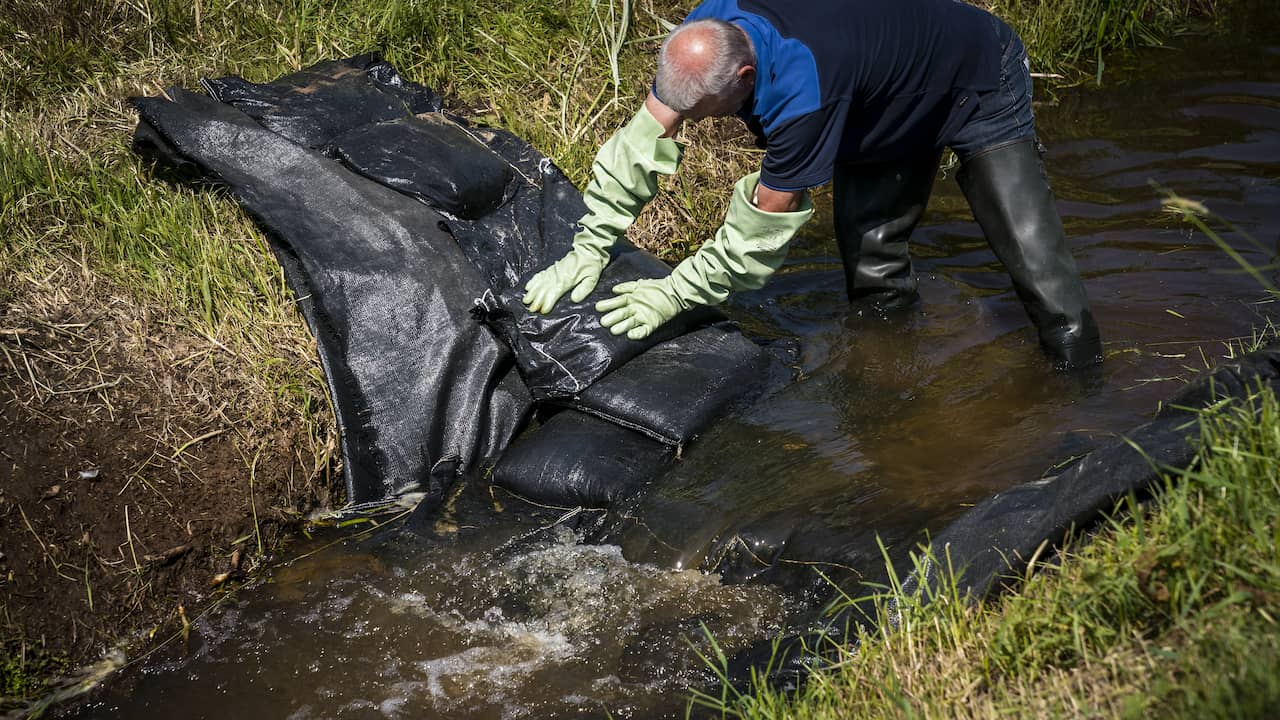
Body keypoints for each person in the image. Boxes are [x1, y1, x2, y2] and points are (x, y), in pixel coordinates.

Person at [521, 0, 1103, 370]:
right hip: (879, 96)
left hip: (977, 74)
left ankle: (1081, 387)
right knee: (871, 263)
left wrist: (675, 294)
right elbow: (646, 133)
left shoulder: (804, 96)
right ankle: (889, 374)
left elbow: (757, 237)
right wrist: (590, 243)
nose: (687, 122)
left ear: (745, 77)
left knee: (1030, 252)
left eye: (700, 113)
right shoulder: (706, 33)